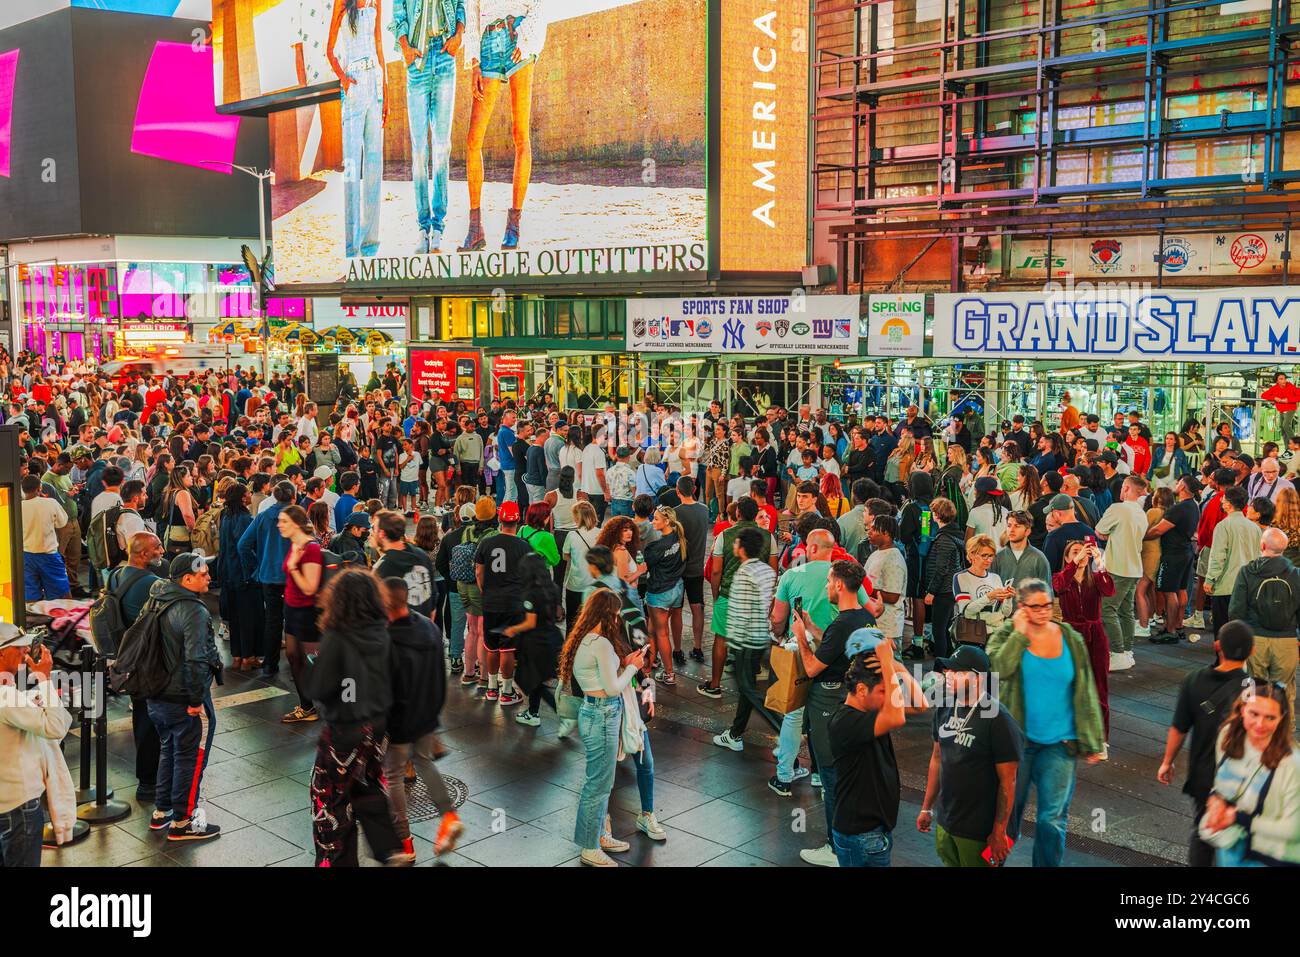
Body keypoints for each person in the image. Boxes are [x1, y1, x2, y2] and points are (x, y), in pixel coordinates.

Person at [987, 579, 1106, 866]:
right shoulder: (1008, 633)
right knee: (1005, 814)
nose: (1043, 611)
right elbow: (998, 669)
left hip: (1060, 745)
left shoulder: (1070, 638)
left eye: (1047, 605)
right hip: (1017, 744)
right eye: (1035, 606)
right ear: (1022, 607)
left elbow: (1085, 688)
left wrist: (1092, 739)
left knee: (1052, 820)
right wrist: (1019, 634)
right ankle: (992, 862)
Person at [301, 570, 398, 866]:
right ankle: (388, 847)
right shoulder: (383, 632)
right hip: (376, 724)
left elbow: (319, 687)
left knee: (330, 798)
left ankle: (337, 859)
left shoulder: (337, 637)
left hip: (344, 729)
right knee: (366, 781)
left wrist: (314, 668)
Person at [791, 559, 880, 867]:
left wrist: (801, 638)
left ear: (840, 585)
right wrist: (811, 627)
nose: (827, 586)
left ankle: (835, 847)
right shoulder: (864, 618)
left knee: (831, 779)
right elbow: (835, 645)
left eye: (829, 582)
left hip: (829, 701)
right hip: (856, 702)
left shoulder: (843, 624)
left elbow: (815, 666)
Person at [558, 588, 649, 867]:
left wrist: (623, 665)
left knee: (600, 782)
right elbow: (611, 688)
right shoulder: (601, 644)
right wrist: (633, 667)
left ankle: (598, 835)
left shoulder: (585, 640)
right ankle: (589, 846)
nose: (619, 619)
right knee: (598, 785)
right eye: (617, 614)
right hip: (604, 716)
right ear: (608, 614)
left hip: (592, 713)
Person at [1157, 620, 1254, 867]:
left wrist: (1167, 762)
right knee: (1240, 836)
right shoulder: (1254, 688)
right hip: (1241, 776)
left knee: (1203, 832)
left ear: (1217, 646)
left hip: (1204, 774)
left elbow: (1179, 728)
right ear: (1252, 651)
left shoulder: (1194, 680)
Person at [917, 644, 1023, 867]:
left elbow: (1009, 780)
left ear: (978, 678)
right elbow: (937, 758)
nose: (948, 675)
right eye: (947, 670)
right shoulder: (945, 707)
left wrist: (999, 831)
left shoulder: (999, 720)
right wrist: (927, 807)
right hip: (946, 823)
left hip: (979, 832)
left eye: (957, 672)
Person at [380, 576, 463, 862]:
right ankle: (449, 816)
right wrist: (434, 713)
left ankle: (404, 843)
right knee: (424, 762)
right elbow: (440, 677)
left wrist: (385, 726)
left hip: (401, 723)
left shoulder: (388, 640)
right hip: (427, 716)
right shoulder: (427, 628)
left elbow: (388, 690)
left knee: (393, 776)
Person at [145, 552, 222, 842]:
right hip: (181, 697)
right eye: (203, 574)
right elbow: (195, 660)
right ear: (187, 579)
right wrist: (195, 700)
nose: (209, 578)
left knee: (169, 749)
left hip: (156, 694)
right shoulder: (193, 610)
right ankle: (182, 821)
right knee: (191, 756)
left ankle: (162, 811)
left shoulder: (157, 597)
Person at [828, 638, 924, 867]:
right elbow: (897, 716)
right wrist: (885, 661)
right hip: (860, 834)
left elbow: (921, 704)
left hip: (873, 831)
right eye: (883, 691)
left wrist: (896, 666)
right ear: (861, 689)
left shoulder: (871, 709)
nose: (887, 697)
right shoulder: (844, 721)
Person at [458, 0, 546, 251]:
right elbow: (472, 14)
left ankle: (514, 226)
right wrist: (474, 62)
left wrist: (525, 38)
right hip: (487, 46)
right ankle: (475, 230)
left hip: (516, 36)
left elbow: (539, 5)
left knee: (520, 134)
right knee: (473, 140)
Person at [1200, 681, 1300, 865]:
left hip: (1274, 857)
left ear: (1282, 718)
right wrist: (1216, 800)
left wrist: (1237, 818)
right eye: (1254, 714)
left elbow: (1294, 829)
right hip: (1232, 848)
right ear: (1242, 710)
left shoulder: (1292, 764)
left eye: (1270, 718)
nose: (1260, 724)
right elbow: (1222, 780)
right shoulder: (1228, 735)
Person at [392, 0, 463, 255]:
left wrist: (458, 35)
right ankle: (423, 227)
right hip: (417, 60)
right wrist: (405, 48)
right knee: (420, 150)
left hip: (445, 55)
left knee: (442, 146)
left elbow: (461, 3)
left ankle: (439, 227)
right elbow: (398, 9)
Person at [0, 631, 72, 866]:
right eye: (19, 646)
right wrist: (43, 679)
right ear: (1, 654)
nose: (25, 652)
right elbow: (57, 726)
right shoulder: (7, 696)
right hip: (17, 806)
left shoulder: (10, 694)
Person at [711, 526, 782, 751]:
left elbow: (740, 610)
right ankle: (735, 733)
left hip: (745, 640)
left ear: (742, 548)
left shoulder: (743, 573)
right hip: (760, 637)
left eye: (736, 543)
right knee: (746, 688)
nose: (734, 546)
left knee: (749, 690)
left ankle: (782, 729)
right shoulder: (766, 571)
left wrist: (733, 640)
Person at [327, 0, 387, 258]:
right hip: (353, 86)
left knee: (374, 167)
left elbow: (380, 45)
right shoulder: (341, 3)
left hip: (375, 85)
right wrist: (343, 79)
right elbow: (329, 50)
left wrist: (387, 90)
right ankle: (351, 249)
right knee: (352, 170)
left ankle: (370, 245)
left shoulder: (376, 2)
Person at [1230, 526, 1300, 727]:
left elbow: (1236, 610)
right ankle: (1284, 736)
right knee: (1285, 691)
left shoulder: (1247, 572)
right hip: (1286, 641)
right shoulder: (1296, 574)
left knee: (1253, 688)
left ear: (1262, 545)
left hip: (1255, 640)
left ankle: (1251, 734)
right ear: (1284, 549)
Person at [1053, 539, 1115, 741]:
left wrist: (1100, 562)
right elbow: (1058, 586)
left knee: (1099, 686)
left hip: (1095, 635)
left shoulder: (1096, 578)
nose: (1080, 556)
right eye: (1075, 552)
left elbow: (1109, 591)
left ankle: (1100, 738)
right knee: (1068, 684)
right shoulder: (1061, 577)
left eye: (1083, 552)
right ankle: (1068, 732)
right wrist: (1074, 564)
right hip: (1070, 634)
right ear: (1066, 557)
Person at [474, 499, 534, 706]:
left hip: (490, 601)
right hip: (513, 603)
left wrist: (486, 591)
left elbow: (479, 572)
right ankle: (507, 692)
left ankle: (492, 688)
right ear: (518, 521)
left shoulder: (486, 543)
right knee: (507, 649)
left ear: (499, 519)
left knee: (491, 647)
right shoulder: (524, 546)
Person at [238, 480, 294, 678]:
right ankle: (299, 665)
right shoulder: (298, 517)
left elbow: (243, 545)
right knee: (295, 620)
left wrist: (255, 567)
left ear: (275, 496)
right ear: (293, 497)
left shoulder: (263, 516)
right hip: (294, 577)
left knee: (272, 620)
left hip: (269, 575)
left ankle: (270, 664)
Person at [1094, 474, 1148, 672]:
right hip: (1134, 567)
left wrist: (1110, 535)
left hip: (1118, 567)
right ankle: (1126, 651)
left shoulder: (1118, 508)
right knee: (1126, 611)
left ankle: (1117, 652)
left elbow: (1099, 530)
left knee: (1107, 610)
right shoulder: (1141, 512)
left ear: (1125, 488)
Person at [278, 505, 325, 724]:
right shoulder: (294, 544)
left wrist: (295, 567)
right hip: (292, 609)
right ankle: (307, 706)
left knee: (314, 661)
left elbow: (309, 587)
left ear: (297, 524)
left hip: (307, 612)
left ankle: (342, 702)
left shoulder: (311, 548)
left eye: (284, 521)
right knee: (293, 657)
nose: (279, 525)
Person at [506, 552, 564, 727]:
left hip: (535, 642)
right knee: (537, 679)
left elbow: (530, 623)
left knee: (532, 680)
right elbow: (559, 613)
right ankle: (533, 712)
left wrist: (512, 629)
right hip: (552, 638)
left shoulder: (530, 593)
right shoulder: (553, 587)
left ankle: (560, 715)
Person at [214, 482, 263, 672]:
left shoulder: (225, 515)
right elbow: (245, 547)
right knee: (249, 615)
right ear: (243, 498)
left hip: (227, 572)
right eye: (248, 493)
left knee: (234, 616)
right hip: (242, 574)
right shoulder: (244, 518)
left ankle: (236, 655)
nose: (250, 494)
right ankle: (248, 656)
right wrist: (252, 570)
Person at [1146, 474, 1202, 643]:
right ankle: (1178, 626)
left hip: (1173, 555)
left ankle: (1170, 630)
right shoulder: (1193, 505)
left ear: (1183, 487)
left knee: (1170, 592)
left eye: (1179, 483)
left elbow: (1158, 530)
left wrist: (1142, 537)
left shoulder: (1179, 509)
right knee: (1182, 589)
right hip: (1185, 551)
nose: (1176, 485)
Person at [1204, 484, 1263, 639]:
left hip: (1226, 584)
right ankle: (1240, 659)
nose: (1222, 501)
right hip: (1248, 585)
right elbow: (1258, 557)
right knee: (1242, 629)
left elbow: (1218, 556)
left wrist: (1210, 579)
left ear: (1228, 503)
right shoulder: (1254, 528)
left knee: (1223, 628)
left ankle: (1223, 660)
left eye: (1223, 499)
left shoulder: (1224, 526)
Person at [643, 505, 686, 685]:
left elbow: (646, 566)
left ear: (667, 521)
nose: (653, 521)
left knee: (660, 633)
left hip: (660, 592)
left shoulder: (655, 547)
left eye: (656, 519)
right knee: (652, 631)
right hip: (677, 588)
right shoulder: (679, 537)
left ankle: (669, 674)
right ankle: (649, 665)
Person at [372, 509, 437, 618]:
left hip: (399, 632)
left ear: (382, 534)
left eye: (373, 528)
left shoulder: (382, 568)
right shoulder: (421, 555)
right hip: (423, 629)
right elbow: (433, 601)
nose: (371, 533)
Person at [673, 477, 711, 664]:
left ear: (677, 491)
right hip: (697, 568)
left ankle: (678, 650)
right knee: (698, 608)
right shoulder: (704, 510)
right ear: (695, 489)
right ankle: (698, 648)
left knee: (677, 610)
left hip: (679, 568)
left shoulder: (675, 513)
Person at [922, 496, 965, 659]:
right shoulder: (954, 534)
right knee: (945, 630)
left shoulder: (944, 539)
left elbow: (941, 569)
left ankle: (940, 667)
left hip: (943, 590)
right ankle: (948, 663)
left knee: (938, 631)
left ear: (937, 515)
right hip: (950, 589)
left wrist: (931, 591)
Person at [21, 473, 71, 602]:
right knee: (61, 595)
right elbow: (62, 523)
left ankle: (35, 621)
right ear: (40, 488)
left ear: (23, 489)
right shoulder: (50, 503)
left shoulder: (18, 507)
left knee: (31, 596)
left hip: (26, 556)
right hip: (49, 555)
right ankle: (63, 621)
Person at [990, 509, 1051, 598]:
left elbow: (1046, 592)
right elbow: (990, 588)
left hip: (1029, 611)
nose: (1011, 530)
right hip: (1002, 611)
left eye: (1017, 526)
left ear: (1027, 531)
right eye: (1009, 525)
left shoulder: (1039, 558)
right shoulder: (997, 557)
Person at [1263, 370, 1300, 441]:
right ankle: (1287, 449)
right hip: (1281, 410)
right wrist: (1274, 398)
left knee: (1285, 425)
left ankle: (1296, 443)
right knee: (1282, 429)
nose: (1284, 380)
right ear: (1277, 381)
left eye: (1284, 378)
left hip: (1290, 409)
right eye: (1281, 379)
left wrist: (1288, 400)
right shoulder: (1274, 388)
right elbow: (1264, 395)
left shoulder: (1290, 386)